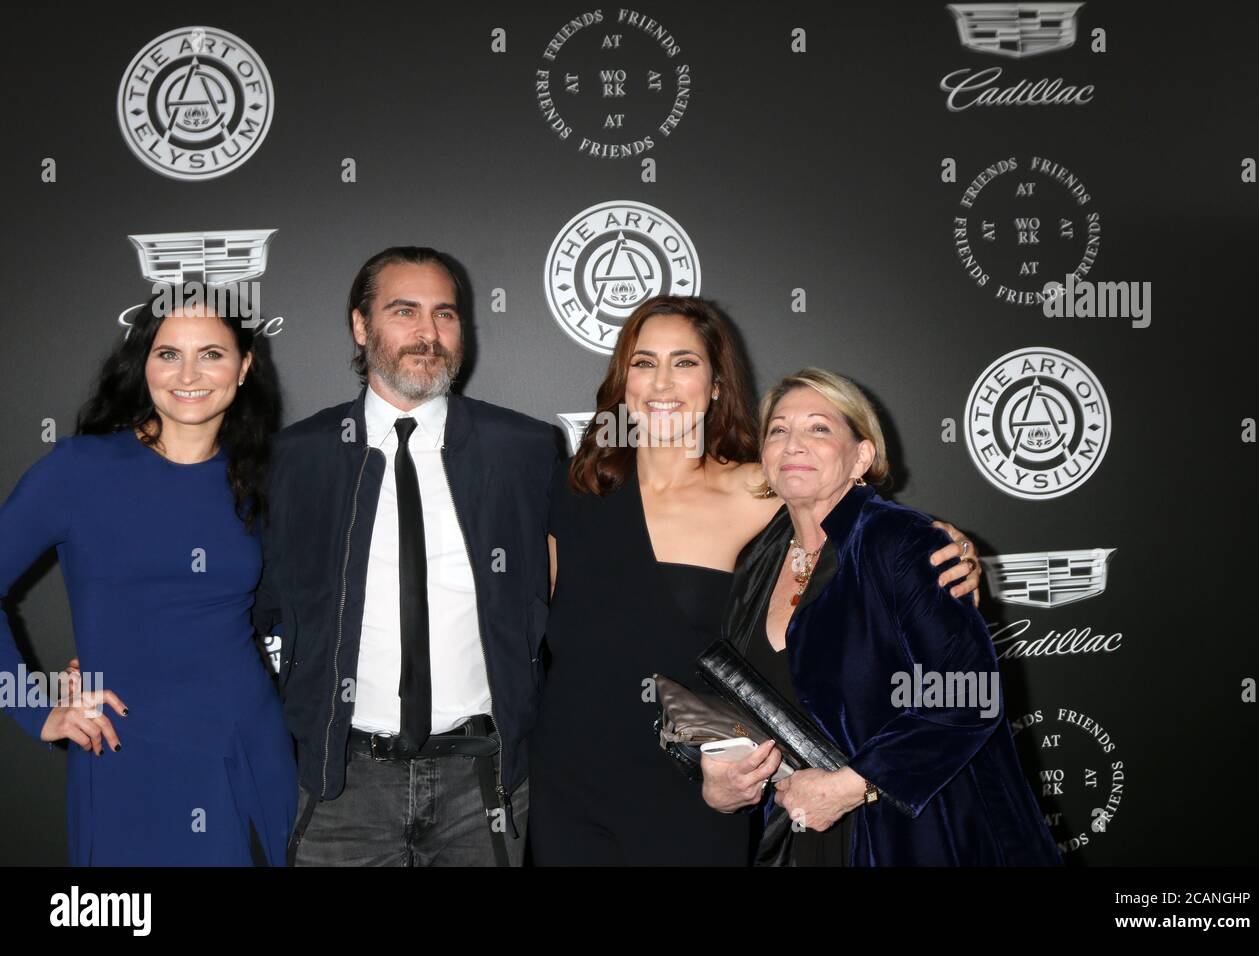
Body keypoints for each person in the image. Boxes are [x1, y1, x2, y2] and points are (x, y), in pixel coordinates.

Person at [530, 297, 982, 865]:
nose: (663, 382)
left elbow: (860, 518)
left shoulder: (758, 488)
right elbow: (527, 620)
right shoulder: (574, 494)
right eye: (644, 363)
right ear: (623, 381)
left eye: (685, 363)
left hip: (703, 790)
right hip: (569, 791)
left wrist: (952, 546)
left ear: (717, 384)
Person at [255, 246, 559, 866]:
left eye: (446, 315)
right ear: (361, 326)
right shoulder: (295, 458)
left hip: (485, 783)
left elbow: (580, 592)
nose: (428, 333)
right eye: (405, 311)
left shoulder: (524, 450)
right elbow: (242, 605)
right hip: (342, 781)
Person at [700, 368, 1061, 866]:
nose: (793, 443)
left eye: (819, 428)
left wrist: (850, 787)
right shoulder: (757, 562)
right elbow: (742, 705)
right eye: (778, 430)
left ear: (862, 457)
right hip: (800, 836)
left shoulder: (903, 542)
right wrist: (721, 779)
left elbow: (969, 692)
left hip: (917, 833)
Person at [0, 285, 297, 865]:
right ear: (143, 365)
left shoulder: (266, 476)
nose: (189, 373)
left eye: (211, 353)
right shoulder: (79, 470)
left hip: (247, 744)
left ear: (244, 367)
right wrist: (36, 708)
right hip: (126, 751)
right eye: (168, 354)